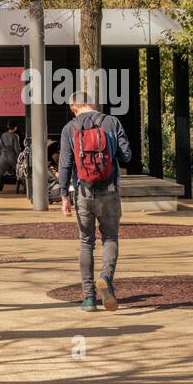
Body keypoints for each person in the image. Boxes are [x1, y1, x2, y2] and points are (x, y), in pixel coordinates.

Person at [58, 90, 131, 312]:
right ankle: (106, 278)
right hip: (109, 190)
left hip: (83, 193)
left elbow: (65, 164)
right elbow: (127, 155)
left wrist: (64, 196)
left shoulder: (69, 128)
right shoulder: (112, 122)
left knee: (86, 242)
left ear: (74, 107)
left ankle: (89, 297)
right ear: (92, 103)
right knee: (110, 238)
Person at [0, 120, 22, 194]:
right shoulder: (15, 136)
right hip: (12, 157)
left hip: (3, 156)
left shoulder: (3, 135)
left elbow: (0, 147)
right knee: (20, 172)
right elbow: (17, 149)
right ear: (15, 128)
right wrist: (19, 159)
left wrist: (0, 157)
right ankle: (28, 188)